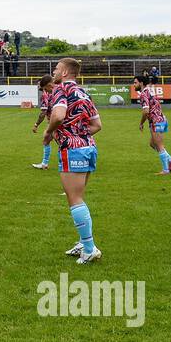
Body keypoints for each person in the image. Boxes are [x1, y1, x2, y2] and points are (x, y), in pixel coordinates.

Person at [44, 58, 103, 264]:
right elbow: (97, 125)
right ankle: (83, 242)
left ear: (66, 72)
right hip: (89, 147)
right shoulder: (83, 92)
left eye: (57, 68)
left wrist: (49, 132)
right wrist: (78, 132)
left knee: (74, 199)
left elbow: (58, 116)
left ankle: (89, 248)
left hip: (72, 150)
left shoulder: (61, 90)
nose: (54, 71)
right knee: (78, 196)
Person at [134, 74, 171, 174]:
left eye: (135, 82)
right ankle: (170, 159)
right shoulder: (148, 91)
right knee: (152, 144)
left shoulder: (143, 94)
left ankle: (166, 170)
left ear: (141, 83)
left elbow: (145, 111)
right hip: (161, 119)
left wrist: (141, 123)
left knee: (159, 145)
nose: (134, 85)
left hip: (155, 121)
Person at [30, 74, 55, 168]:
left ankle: (67, 163)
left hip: (55, 122)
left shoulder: (45, 95)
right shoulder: (57, 91)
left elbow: (43, 113)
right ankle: (44, 164)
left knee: (62, 143)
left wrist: (36, 125)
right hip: (59, 120)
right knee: (46, 140)